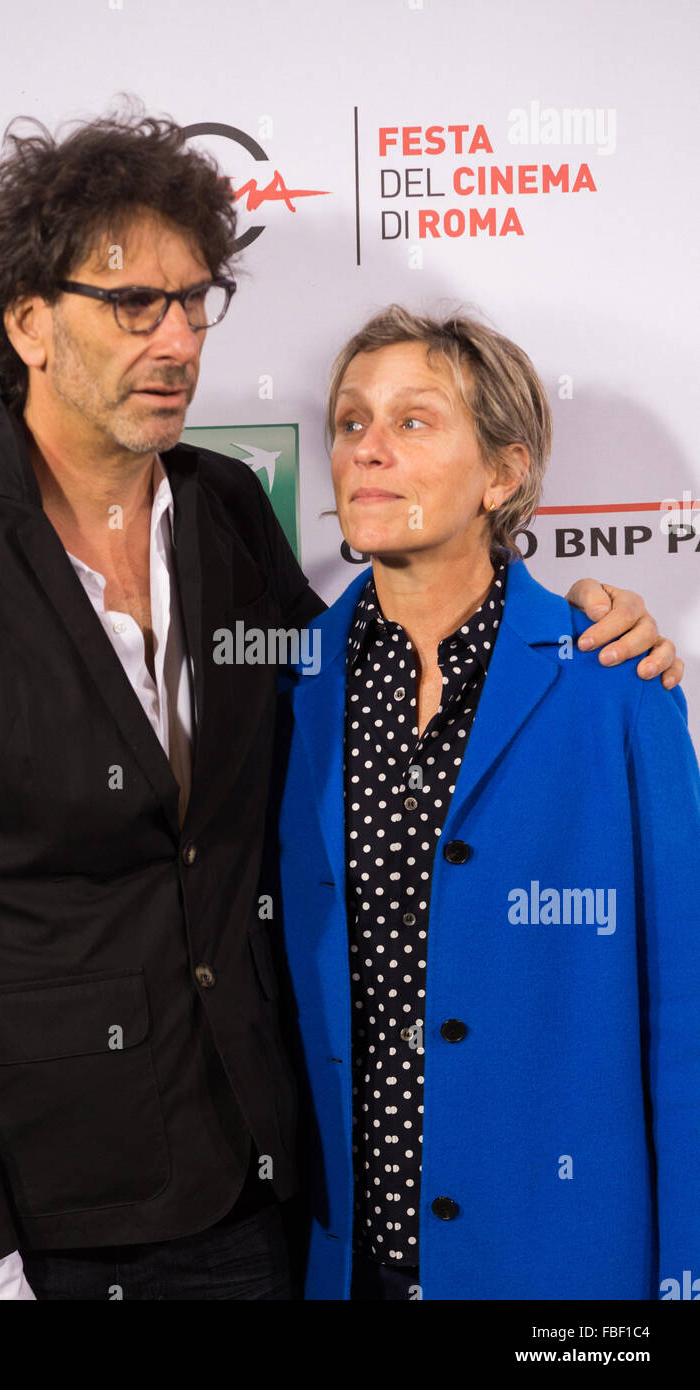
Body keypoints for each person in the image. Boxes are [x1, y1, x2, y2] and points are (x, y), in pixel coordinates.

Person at [0, 109, 683, 1302]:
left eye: (194, 301)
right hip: (31, 1233)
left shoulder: (228, 514)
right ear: (29, 322)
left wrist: (587, 615)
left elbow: (363, 664)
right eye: (136, 303)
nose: (177, 338)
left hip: (254, 1210)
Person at [270, 306, 700, 1300]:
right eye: (348, 421)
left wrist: (682, 1278)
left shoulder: (613, 684)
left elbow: (682, 1013)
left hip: (560, 1272)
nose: (366, 448)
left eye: (412, 421)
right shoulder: (289, 687)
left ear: (500, 475)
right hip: (345, 1263)